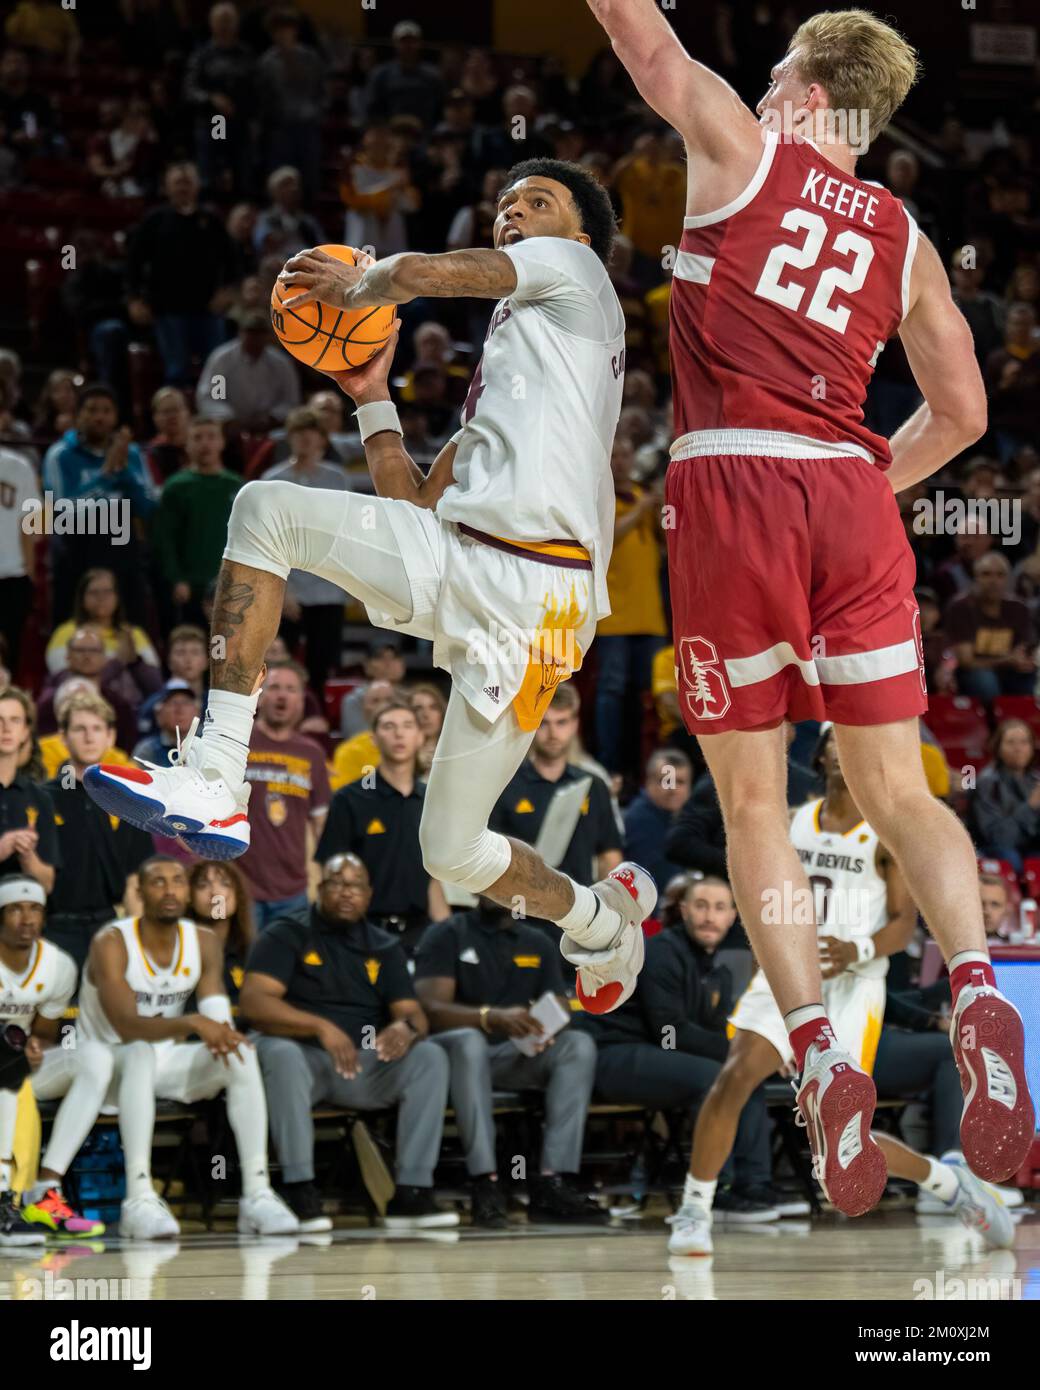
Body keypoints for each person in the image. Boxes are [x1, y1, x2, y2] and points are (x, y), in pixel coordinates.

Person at [590, 0, 1034, 1206]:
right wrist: (858, 483)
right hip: (848, 493)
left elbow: (641, 37)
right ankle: (981, 991)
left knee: (752, 798)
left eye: (772, 67)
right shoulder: (900, 235)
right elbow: (965, 417)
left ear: (797, 89)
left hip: (730, 484)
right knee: (898, 790)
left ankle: (818, 1053)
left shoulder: (738, 144)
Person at [85, 155, 657, 1017]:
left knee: (265, 510)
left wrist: (370, 281)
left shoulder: (578, 272)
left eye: (535, 203)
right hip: (476, 566)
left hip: (536, 591)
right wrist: (369, 395)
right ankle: (602, 918)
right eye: (502, 203)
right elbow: (415, 506)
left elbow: (434, 273)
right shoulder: (510, 380)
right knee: (451, 848)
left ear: (579, 235)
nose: (512, 213)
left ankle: (215, 773)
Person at [664, 725, 1010, 1256]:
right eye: (831, 742)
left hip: (854, 984)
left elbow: (901, 925)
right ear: (823, 755)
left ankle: (947, 1184)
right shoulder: (792, 821)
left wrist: (859, 950)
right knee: (733, 1077)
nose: (841, 750)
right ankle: (694, 1209)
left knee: (845, 1131)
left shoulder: (886, 833)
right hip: (789, 977)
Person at [77, 855, 298, 1239]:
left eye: (177, 880)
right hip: (108, 1068)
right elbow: (127, 1027)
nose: (170, 889)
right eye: (158, 882)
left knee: (241, 1053)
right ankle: (139, 1197)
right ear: (140, 892)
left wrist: (224, 1035)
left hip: (165, 1063)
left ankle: (257, 1192)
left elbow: (216, 1015)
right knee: (141, 1052)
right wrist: (193, 1022)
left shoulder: (204, 942)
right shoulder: (112, 940)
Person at [241, 852, 458, 1232]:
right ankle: (299, 1187)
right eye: (337, 883)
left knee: (430, 1056)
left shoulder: (384, 945)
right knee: (280, 1052)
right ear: (319, 888)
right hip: (303, 1061)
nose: (346, 893)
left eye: (355, 886)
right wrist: (318, 1027)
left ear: (369, 895)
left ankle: (411, 1192)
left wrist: (405, 1029)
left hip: (363, 1065)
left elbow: (414, 1013)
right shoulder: (286, 933)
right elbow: (254, 1004)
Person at [587, 874, 779, 1220]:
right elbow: (669, 1031)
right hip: (614, 1052)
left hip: (657, 1056)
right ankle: (720, 1189)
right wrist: (740, 1052)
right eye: (702, 906)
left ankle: (755, 1185)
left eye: (720, 908)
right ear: (684, 910)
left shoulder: (713, 963)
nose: (710, 916)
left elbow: (711, 1030)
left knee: (744, 1072)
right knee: (718, 1075)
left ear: (734, 916)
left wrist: (755, 1051)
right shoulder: (661, 950)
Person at [416, 895, 603, 1227]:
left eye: (506, 882)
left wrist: (548, 1025)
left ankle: (551, 1181)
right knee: (471, 1044)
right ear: (475, 888)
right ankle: (484, 1181)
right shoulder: (446, 934)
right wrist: (491, 1018)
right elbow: (430, 1009)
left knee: (578, 1044)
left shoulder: (537, 940)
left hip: (513, 1055)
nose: (498, 890)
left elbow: (559, 1002)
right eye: (489, 881)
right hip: (453, 1057)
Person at [317, 701, 449, 954]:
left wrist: (447, 930)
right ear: (374, 738)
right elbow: (330, 870)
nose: (399, 734)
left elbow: (433, 877)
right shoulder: (349, 799)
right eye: (389, 726)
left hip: (420, 933)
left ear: (421, 737)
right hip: (360, 930)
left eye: (408, 726)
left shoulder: (433, 801)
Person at [46, 691, 153, 971]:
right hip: (54, 928)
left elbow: (135, 877)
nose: (89, 737)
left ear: (111, 736)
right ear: (64, 737)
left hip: (112, 925)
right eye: (79, 729)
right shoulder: (45, 797)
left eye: (97, 729)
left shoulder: (128, 799)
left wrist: (137, 938)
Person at [41, 386, 157, 624]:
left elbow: (148, 507)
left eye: (106, 410)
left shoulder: (132, 454)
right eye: (91, 410)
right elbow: (61, 513)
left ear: (115, 417)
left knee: (130, 629)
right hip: (75, 552)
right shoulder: (60, 454)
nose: (99, 417)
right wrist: (106, 477)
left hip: (122, 550)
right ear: (78, 415)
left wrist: (126, 475)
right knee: (71, 629)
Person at [262, 407, 349, 695]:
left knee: (322, 663)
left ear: (323, 439)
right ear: (290, 438)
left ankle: (317, 718)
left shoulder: (337, 478)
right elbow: (267, 538)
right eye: (299, 433)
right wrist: (282, 589)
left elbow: (345, 533)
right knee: (278, 659)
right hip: (286, 585)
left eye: (312, 433)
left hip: (327, 585)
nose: (306, 440)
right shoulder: (272, 479)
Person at [238, 663, 330, 929]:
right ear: (261, 696)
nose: (282, 695)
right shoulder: (240, 741)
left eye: (291, 689)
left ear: (301, 701)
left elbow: (321, 824)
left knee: (288, 968)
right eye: (275, 688)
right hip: (242, 885)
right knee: (243, 965)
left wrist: (320, 878)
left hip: (294, 889)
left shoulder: (312, 753)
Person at [595, 435, 667, 776]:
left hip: (650, 617)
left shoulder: (644, 499)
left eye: (626, 453)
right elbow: (609, 536)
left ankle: (646, 769)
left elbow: (667, 542)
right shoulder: (598, 498)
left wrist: (661, 506)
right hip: (612, 619)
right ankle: (610, 769)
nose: (621, 461)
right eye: (615, 455)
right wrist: (643, 507)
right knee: (611, 694)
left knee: (649, 699)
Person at [153, 417, 242, 628]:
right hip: (189, 586)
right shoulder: (176, 487)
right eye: (198, 438)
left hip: (229, 586)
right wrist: (176, 579)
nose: (205, 443)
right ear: (187, 444)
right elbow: (165, 539)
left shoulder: (236, 485)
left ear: (222, 442)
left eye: (211, 437)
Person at [946, 552, 1036, 702]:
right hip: (972, 671)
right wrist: (1007, 659)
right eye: (986, 574)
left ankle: (1023, 722)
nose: (993, 581)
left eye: (1000, 575)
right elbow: (967, 661)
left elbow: (1024, 648)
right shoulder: (960, 608)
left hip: (1009, 669)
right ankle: (992, 723)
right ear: (975, 578)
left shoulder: (1018, 608)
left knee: (1028, 675)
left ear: (1008, 580)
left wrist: (1022, 660)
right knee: (985, 680)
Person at [196, 311, 301, 433]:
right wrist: (228, 418)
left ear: (269, 335)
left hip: (271, 427)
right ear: (240, 333)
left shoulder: (281, 363)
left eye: (260, 333)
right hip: (230, 427)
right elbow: (212, 397)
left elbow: (290, 400)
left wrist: (272, 417)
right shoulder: (222, 360)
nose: (255, 338)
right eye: (250, 332)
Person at [46, 568, 159, 676]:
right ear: (82, 598)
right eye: (94, 592)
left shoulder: (133, 634)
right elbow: (61, 676)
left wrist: (135, 661)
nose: (101, 598)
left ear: (117, 597)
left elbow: (154, 680)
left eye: (107, 592)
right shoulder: (66, 632)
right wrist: (118, 663)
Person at [0, 687, 58, 894]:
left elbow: (47, 884)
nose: (6, 728)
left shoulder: (40, 798)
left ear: (25, 732)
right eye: (0, 719)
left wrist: (27, 855)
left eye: (15, 720)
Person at [970, 719, 1040, 871]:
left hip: (1029, 846)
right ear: (998, 748)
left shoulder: (1035, 780)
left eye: (1024, 742)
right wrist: (1031, 806)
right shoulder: (986, 783)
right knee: (1010, 857)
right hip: (995, 848)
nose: (1018, 748)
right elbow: (999, 838)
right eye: (1011, 742)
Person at [622, 748, 693, 893]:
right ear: (648, 783)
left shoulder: (687, 816)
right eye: (665, 781)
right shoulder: (640, 820)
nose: (672, 789)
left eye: (679, 782)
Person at [188, 859, 255, 1008]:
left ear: (238, 895)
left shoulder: (253, 950)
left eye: (225, 884)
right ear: (189, 897)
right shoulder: (180, 949)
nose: (215, 893)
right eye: (203, 885)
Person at [0, 439, 38, 678]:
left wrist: (31, 574)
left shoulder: (18, 465)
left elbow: (34, 523)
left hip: (12, 575)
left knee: (9, 653)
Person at [339, 636, 407, 738]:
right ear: (366, 665)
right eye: (380, 657)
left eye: (394, 657)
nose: (388, 663)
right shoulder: (355, 700)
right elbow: (358, 738)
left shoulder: (411, 698)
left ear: (403, 665)